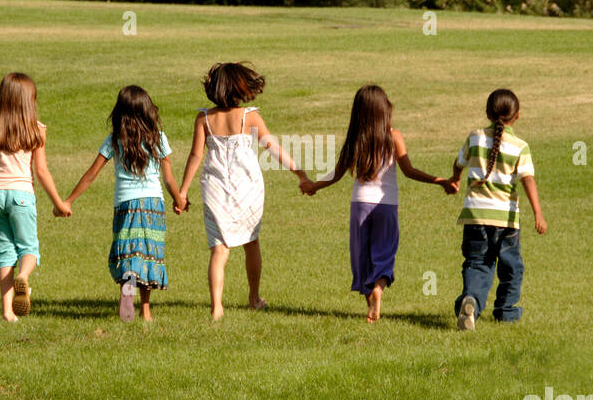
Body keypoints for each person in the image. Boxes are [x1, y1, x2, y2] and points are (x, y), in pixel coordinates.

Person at [303, 84, 452, 322]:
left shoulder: (355, 139)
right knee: (384, 252)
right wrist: (440, 181)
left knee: (361, 256)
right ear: (385, 110)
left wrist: (314, 186)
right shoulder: (394, 136)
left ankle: (369, 299)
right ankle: (378, 288)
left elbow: (338, 172)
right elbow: (409, 170)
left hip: (360, 204)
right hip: (387, 205)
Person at [176, 62, 310, 319]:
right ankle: (254, 297)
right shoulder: (250, 116)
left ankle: (216, 308)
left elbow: (195, 156)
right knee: (251, 242)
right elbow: (273, 147)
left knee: (219, 249)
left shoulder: (204, 118)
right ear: (240, 88)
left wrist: (182, 192)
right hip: (247, 187)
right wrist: (300, 173)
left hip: (215, 188)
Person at [60, 86, 184, 322]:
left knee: (128, 250)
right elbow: (168, 178)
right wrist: (179, 199)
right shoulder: (159, 138)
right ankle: (145, 310)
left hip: (125, 204)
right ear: (148, 110)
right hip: (153, 204)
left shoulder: (115, 140)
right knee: (149, 253)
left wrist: (68, 200)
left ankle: (128, 281)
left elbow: (91, 174)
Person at [0, 72, 68, 321]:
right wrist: (59, 203)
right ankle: (24, 277)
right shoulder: (37, 130)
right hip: (22, 195)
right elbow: (41, 171)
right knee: (29, 248)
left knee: (4, 250)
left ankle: (8, 311)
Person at [447, 88, 547, 330]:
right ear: (517, 115)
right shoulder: (520, 146)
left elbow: (459, 162)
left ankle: (471, 300)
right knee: (511, 266)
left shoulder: (475, 138)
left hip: (474, 215)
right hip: (506, 220)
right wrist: (538, 213)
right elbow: (528, 180)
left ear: (487, 113)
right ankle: (505, 311)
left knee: (477, 262)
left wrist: (455, 179)